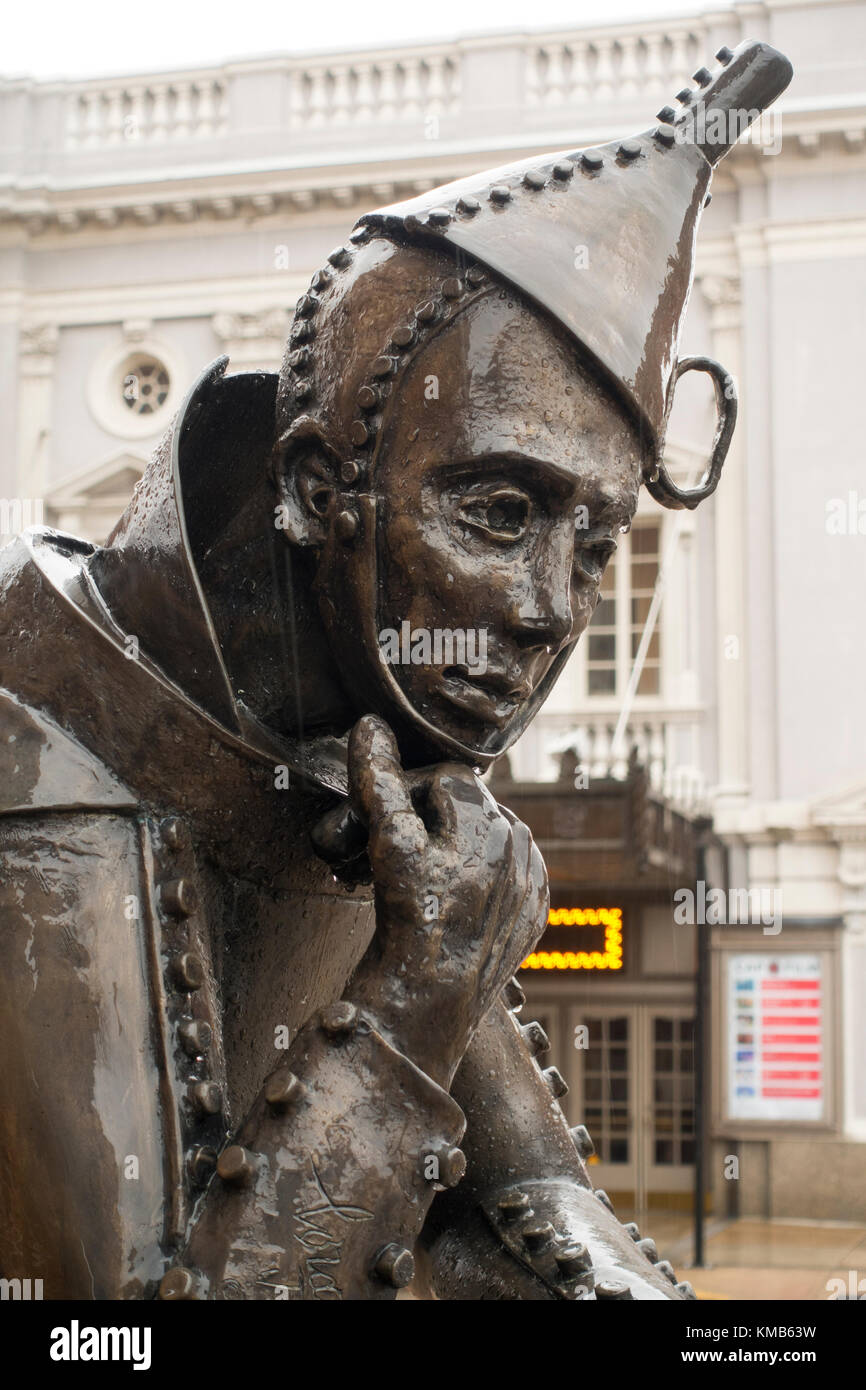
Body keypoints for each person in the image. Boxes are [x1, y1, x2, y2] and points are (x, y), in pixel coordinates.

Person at [0, 39, 791, 1300]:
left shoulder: (373, 775)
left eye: (595, 547)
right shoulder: (38, 787)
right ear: (322, 492)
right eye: (495, 513)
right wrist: (418, 997)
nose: (548, 613)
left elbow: (539, 1237)